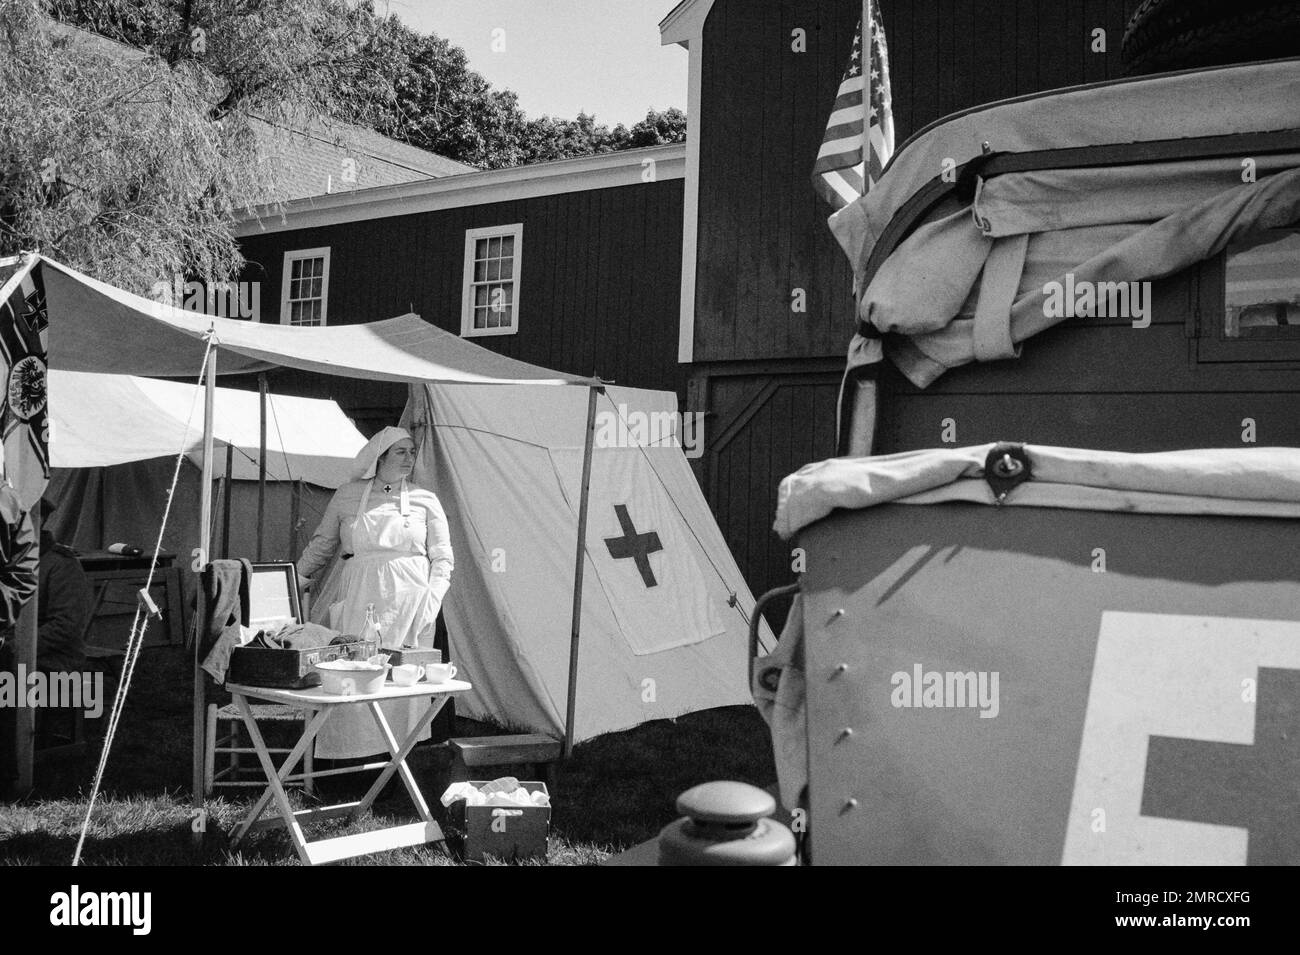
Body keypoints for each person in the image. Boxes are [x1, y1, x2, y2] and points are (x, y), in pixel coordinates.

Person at [296, 426, 453, 759]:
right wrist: (294, 578)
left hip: (410, 599)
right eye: (401, 451)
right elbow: (323, 544)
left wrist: (432, 600)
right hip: (360, 594)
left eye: (412, 451)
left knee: (401, 677)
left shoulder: (426, 500)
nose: (410, 458)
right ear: (380, 457)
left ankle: (398, 762)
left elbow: (443, 558)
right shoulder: (348, 495)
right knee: (355, 669)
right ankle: (350, 757)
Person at [35, 497, 91, 674]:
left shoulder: (61, 564)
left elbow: (65, 626)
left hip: (51, 664)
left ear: (38, 520)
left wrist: (11, 648)